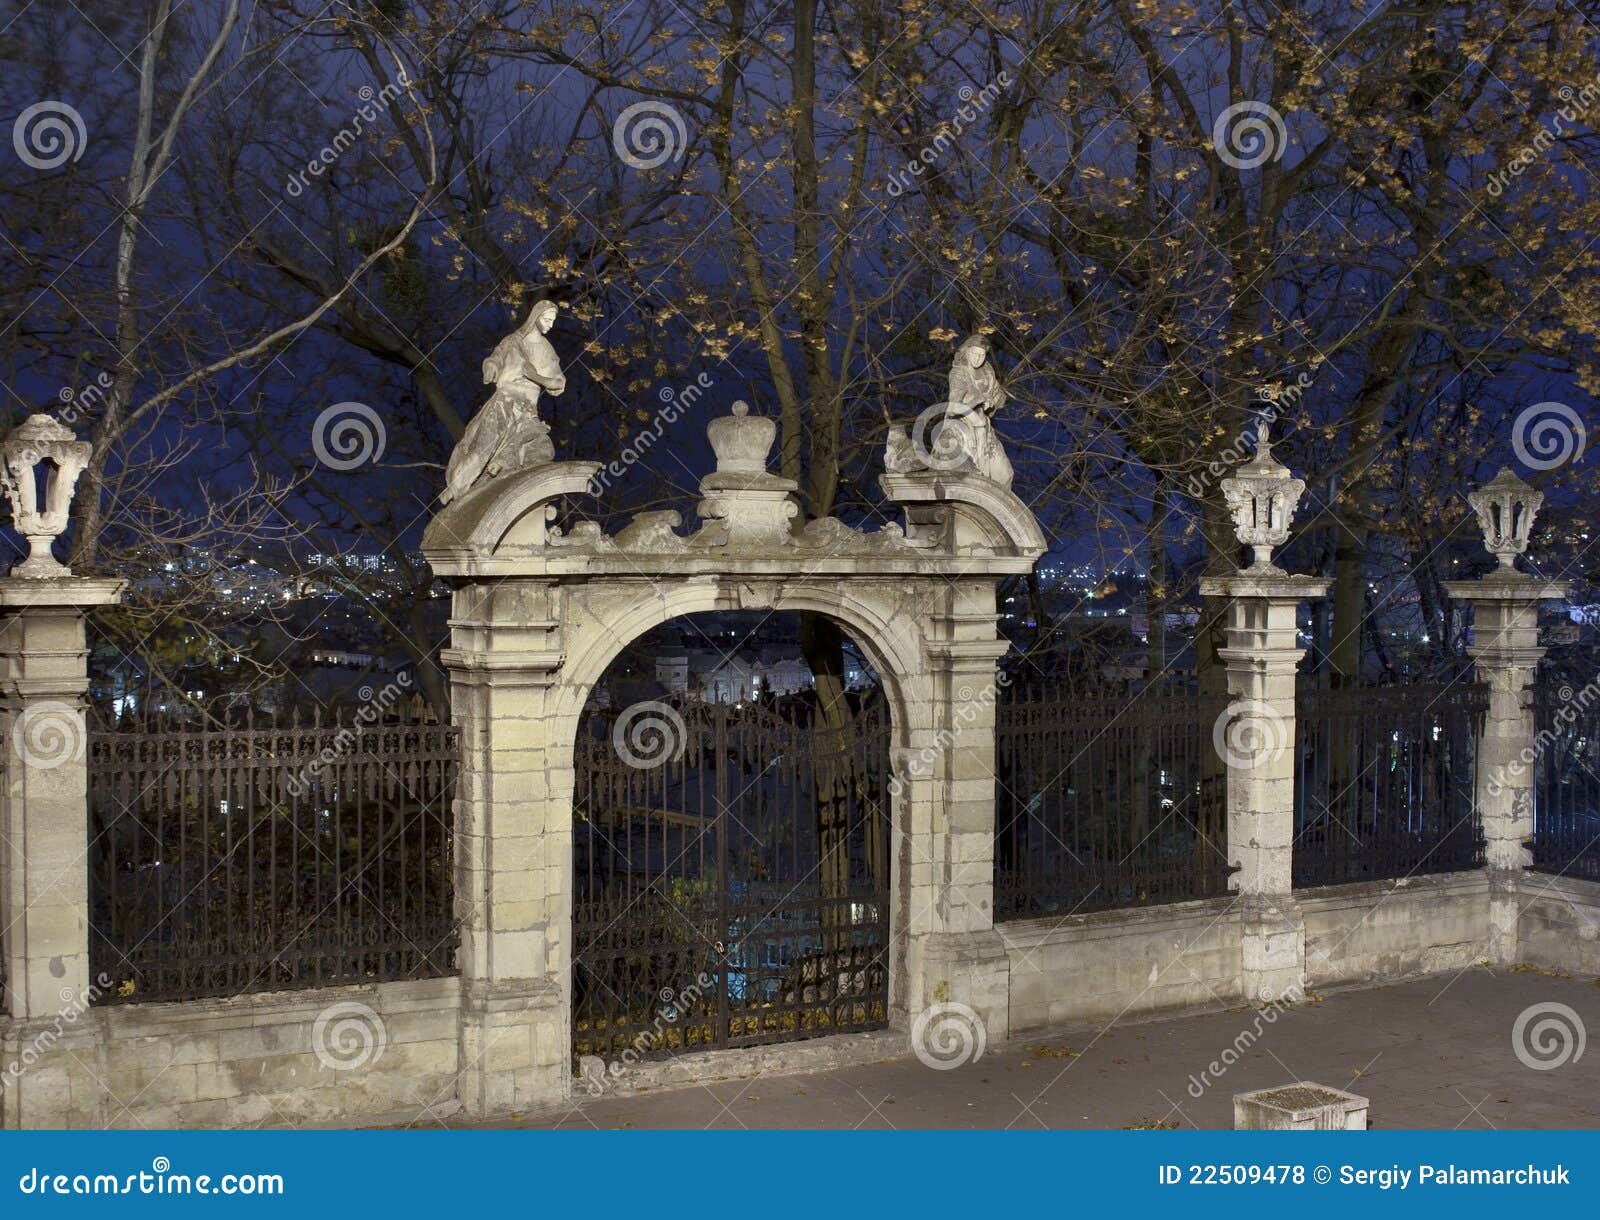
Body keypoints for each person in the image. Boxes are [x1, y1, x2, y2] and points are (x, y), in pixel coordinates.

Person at [441, 299, 566, 504]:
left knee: (543, 450)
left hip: (527, 413)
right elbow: (495, 358)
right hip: (504, 402)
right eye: (547, 319)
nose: (551, 325)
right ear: (536, 316)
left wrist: (537, 377)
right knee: (483, 447)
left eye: (553, 321)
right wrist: (490, 367)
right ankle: (456, 491)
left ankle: (501, 477)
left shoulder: (546, 350)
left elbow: (558, 383)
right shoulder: (513, 341)